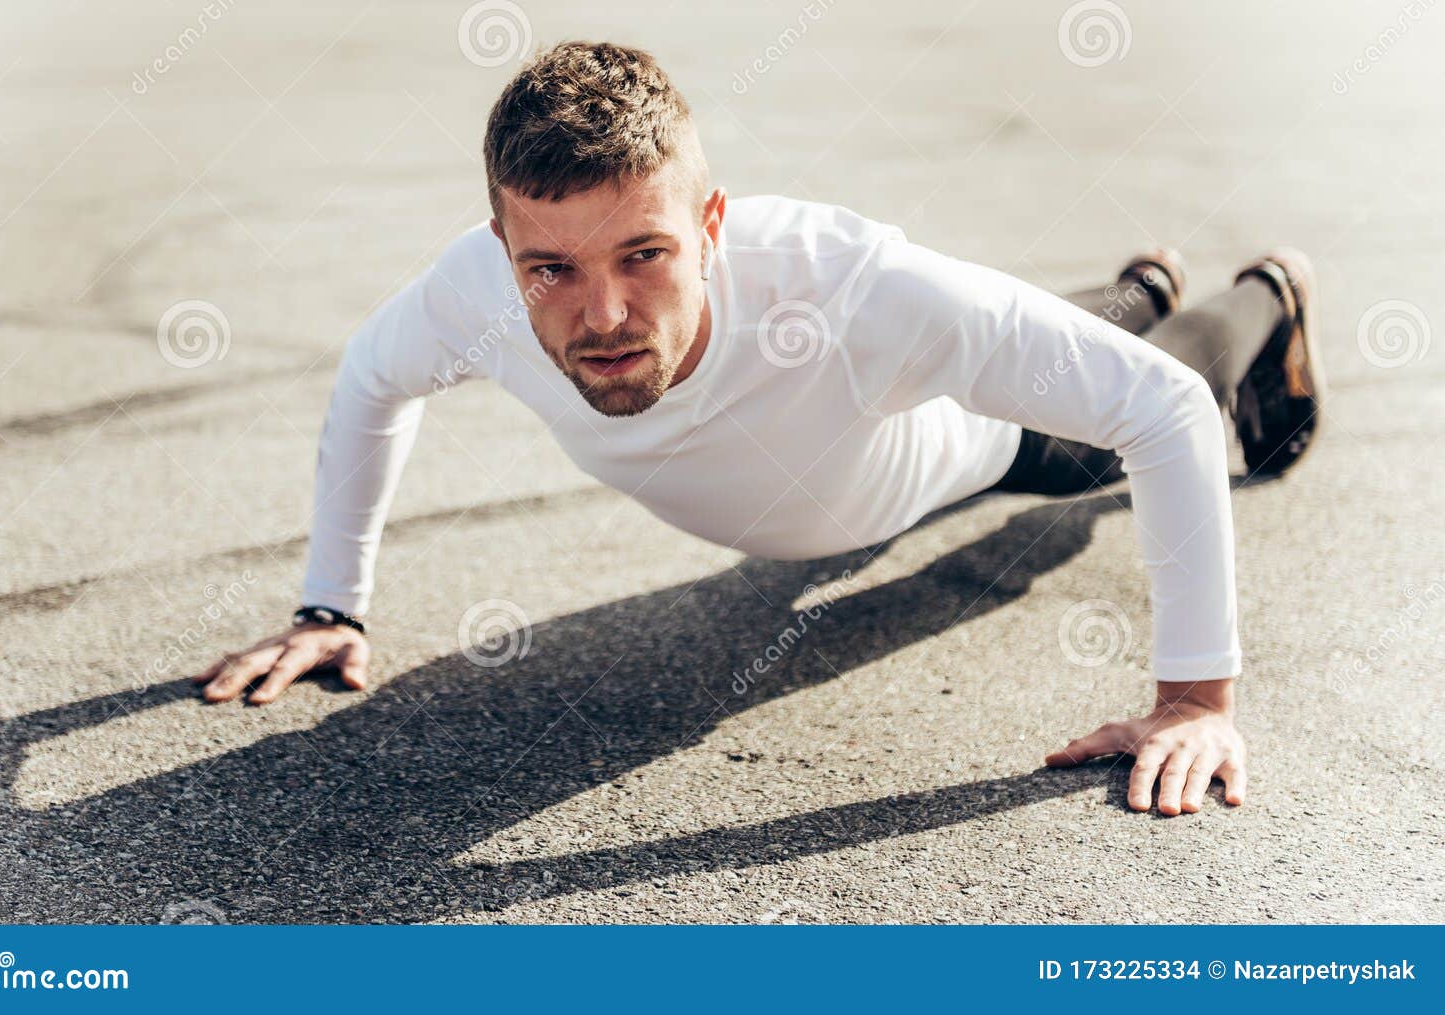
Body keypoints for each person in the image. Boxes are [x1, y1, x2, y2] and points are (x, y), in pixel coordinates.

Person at [193, 41, 1322, 818]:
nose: (603, 316)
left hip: (954, 453)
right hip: (842, 460)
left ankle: (1265, 292)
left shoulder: (850, 288)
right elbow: (367, 382)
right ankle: (1135, 283)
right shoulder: (469, 293)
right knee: (1052, 327)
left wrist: (1192, 702)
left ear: (712, 225)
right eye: (552, 270)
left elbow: (1161, 415)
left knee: (1152, 382)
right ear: (502, 253)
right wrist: (329, 603)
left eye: (644, 254)